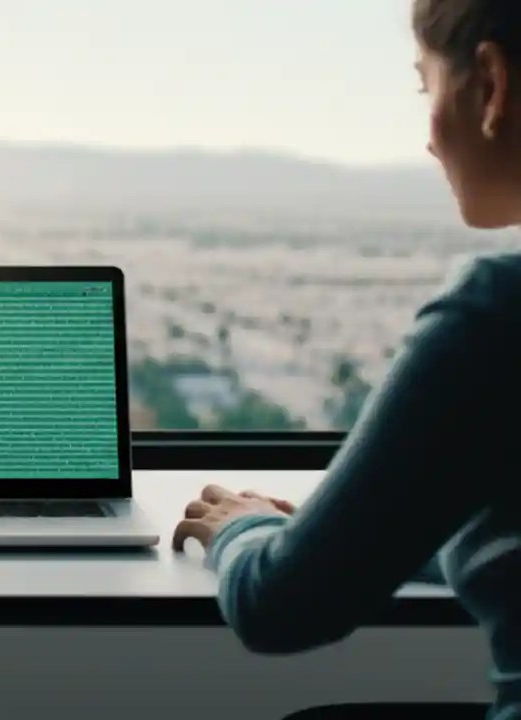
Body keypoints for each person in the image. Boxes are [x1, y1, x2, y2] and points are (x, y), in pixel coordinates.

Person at [172, 1, 521, 718]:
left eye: (427, 88)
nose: (428, 140)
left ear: (490, 86)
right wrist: (350, 530)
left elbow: (279, 606)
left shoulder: (498, 313)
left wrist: (243, 528)